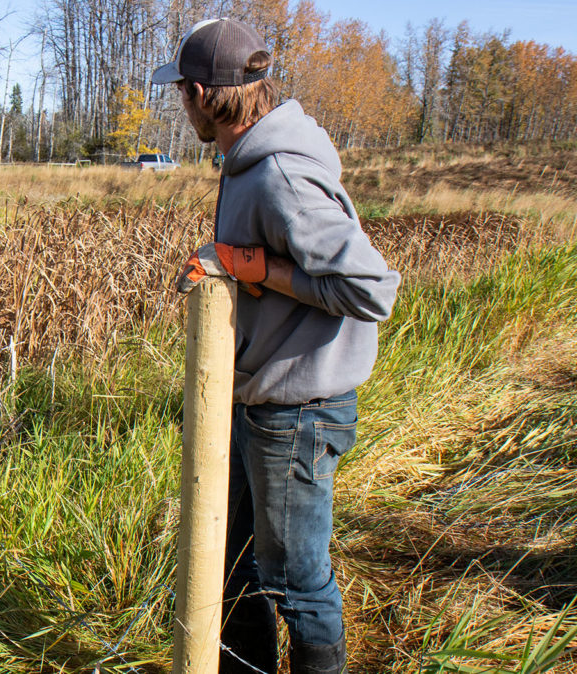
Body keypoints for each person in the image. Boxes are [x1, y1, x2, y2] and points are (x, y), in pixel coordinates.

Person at [156, 18, 401, 674]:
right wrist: (233, 267)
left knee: (295, 582)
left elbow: (372, 290)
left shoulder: (280, 178)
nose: (180, 105)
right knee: (231, 564)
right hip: (258, 400)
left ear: (203, 94)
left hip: (297, 413)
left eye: (181, 92)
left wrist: (259, 271)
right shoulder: (247, 161)